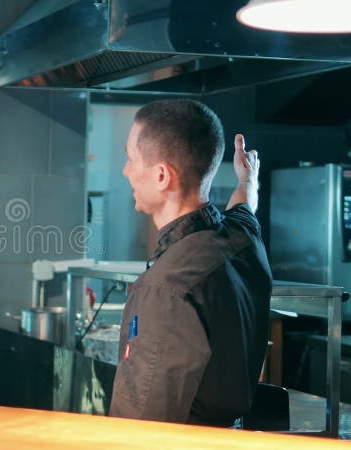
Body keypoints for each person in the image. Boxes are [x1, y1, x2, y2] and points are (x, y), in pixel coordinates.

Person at [109, 99, 272, 426]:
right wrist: (247, 180)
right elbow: (245, 205)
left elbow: (141, 428)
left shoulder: (165, 290)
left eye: (130, 159)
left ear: (161, 176)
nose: (125, 171)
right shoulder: (243, 238)